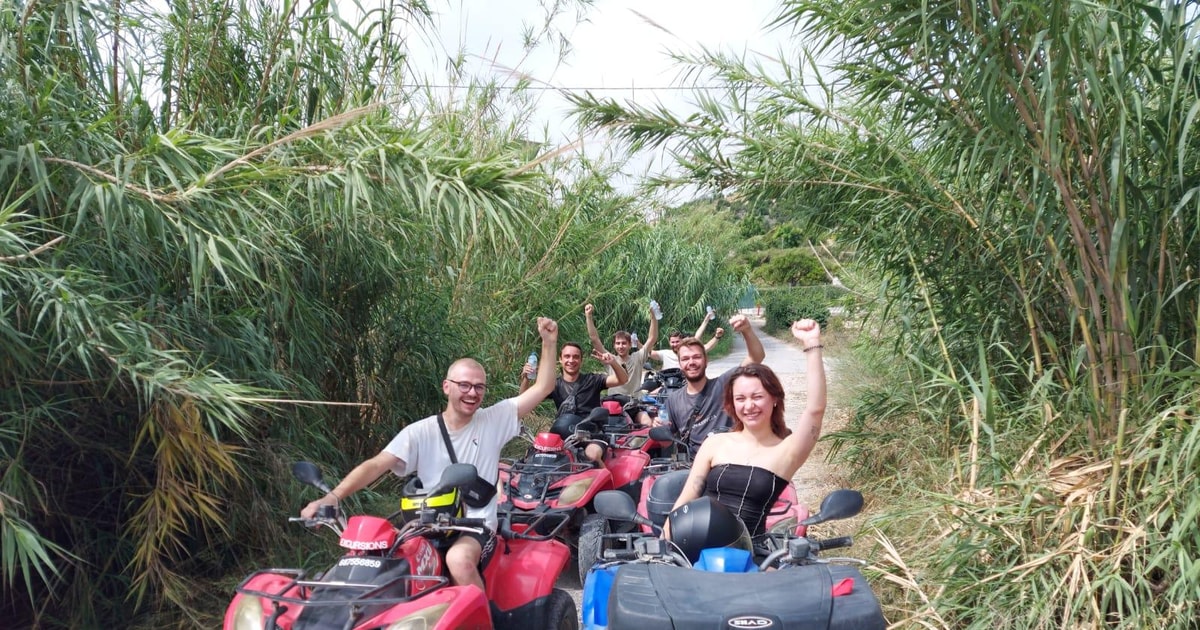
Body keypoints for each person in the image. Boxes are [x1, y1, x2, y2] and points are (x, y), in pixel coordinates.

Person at [300, 317, 562, 592]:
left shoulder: (493, 419)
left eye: (479, 387)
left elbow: (542, 387)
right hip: (426, 524)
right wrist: (333, 496)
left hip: (474, 526)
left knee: (458, 560)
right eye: (464, 385)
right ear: (446, 386)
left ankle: (481, 613)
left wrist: (549, 342)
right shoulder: (420, 432)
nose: (472, 393)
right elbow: (376, 464)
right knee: (377, 562)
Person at [667, 319, 825, 542]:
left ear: (775, 399)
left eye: (757, 397)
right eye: (740, 398)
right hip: (697, 551)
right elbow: (686, 499)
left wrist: (812, 345)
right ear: (732, 404)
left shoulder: (787, 450)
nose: (749, 406)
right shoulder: (715, 443)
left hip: (752, 555)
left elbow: (815, 410)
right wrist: (664, 542)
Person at [663, 313, 765, 454]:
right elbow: (665, 443)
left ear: (706, 361)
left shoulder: (724, 384)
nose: (691, 362)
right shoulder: (673, 400)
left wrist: (747, 330)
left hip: (729, 459)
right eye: (685, 359)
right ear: (680, 364)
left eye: (697, 357)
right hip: (695, 463)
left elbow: (756, 357)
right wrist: (659, 427)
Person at [520, 341, 627, 464]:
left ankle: (605, 475)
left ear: (581, 360)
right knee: (533, 456)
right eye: (567, 356)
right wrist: (526, 378)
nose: (571, 360)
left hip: (591, 435)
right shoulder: (553, 385)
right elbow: (525, 399)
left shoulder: (593, 380)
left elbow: (622, 380)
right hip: (562, 435)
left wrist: (613, 362)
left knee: (592, 454)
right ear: (560, 359)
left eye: (576, 357)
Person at [585, 302, 658, 399]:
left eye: (624, 343)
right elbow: (594, 339)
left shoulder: (638, 357)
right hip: (614, 402)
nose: (621, 346)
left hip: (634, 402)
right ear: (614, 345)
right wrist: (588, 316)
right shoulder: (609, 359)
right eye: (618, 343)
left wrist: (653, 317)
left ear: (630, 345)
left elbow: (652, 338)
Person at [652, 309, 724, 370]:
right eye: (672, 342)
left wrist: (717, 337)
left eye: (677, 342)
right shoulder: (665, 354)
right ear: (669, 342)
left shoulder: (690, 352)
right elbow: (648, 352)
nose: (675, 344)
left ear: (682, 341)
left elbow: (707, 345)